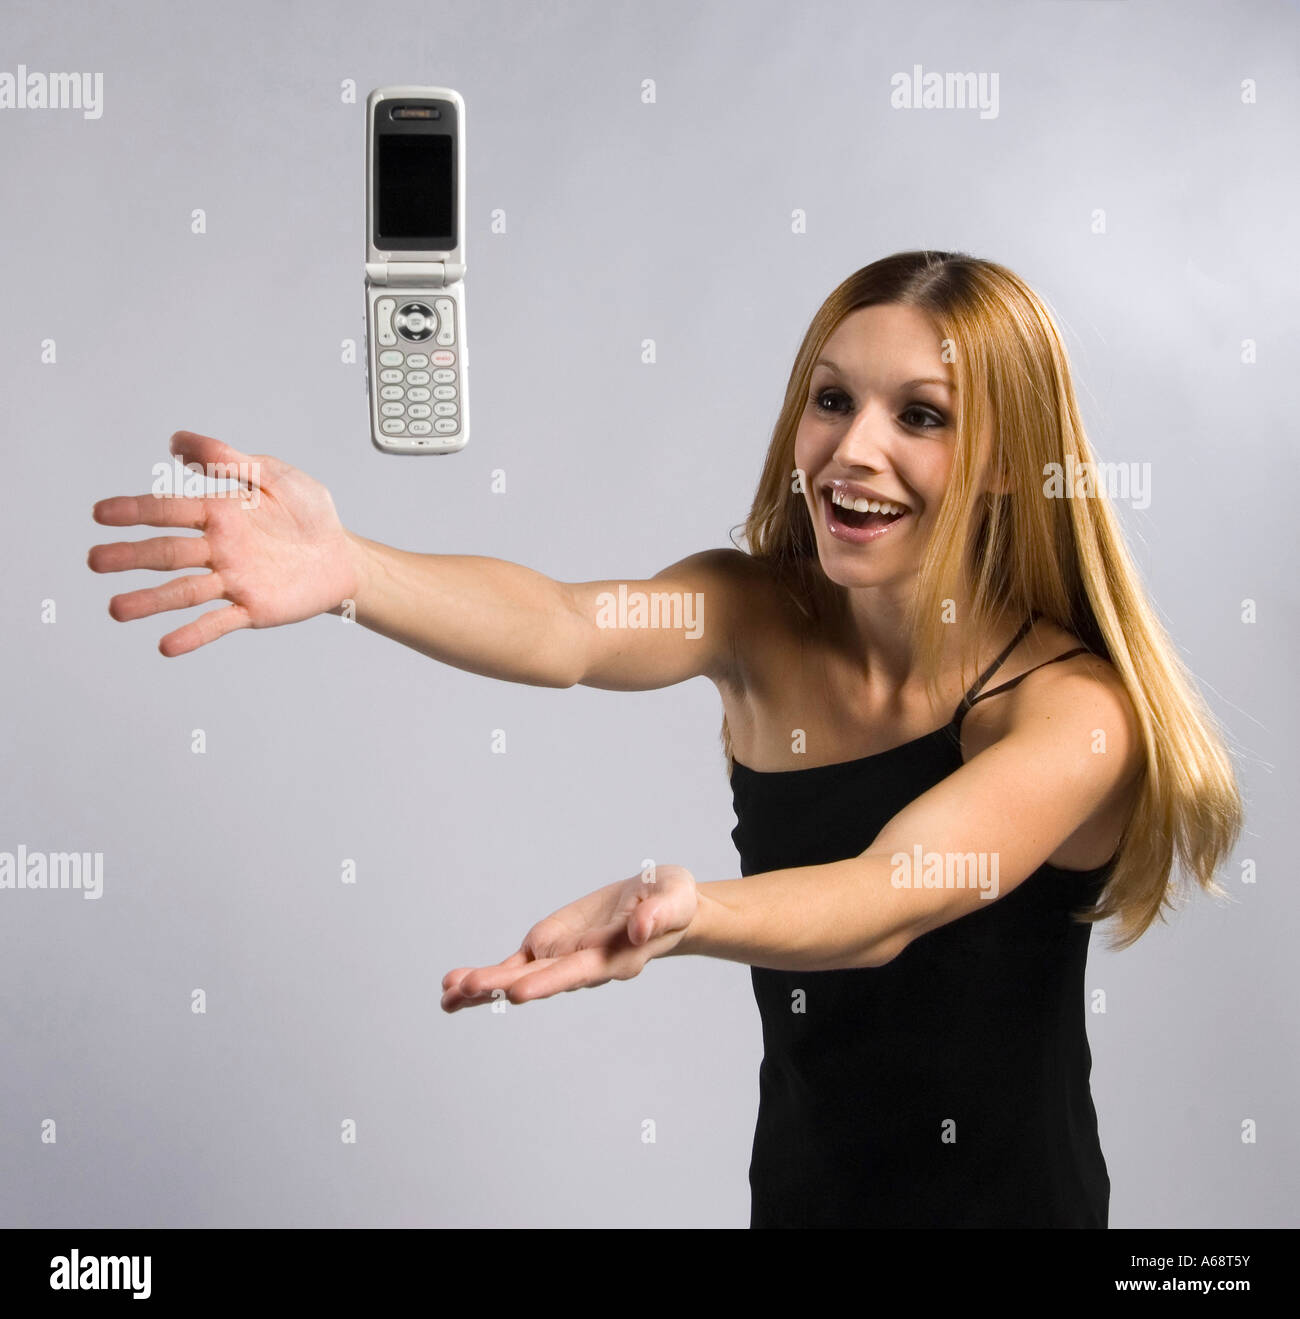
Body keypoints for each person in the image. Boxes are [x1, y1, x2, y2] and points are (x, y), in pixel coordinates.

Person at [88, 250, 1242, 1228]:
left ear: (999, 458)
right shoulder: (754, 615)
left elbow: (892, 893)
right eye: (831, 399)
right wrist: (353, 571)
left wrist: (689, 914)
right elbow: (565, 625)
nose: (853, 450)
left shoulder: (1071, 709)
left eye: (922, 416)